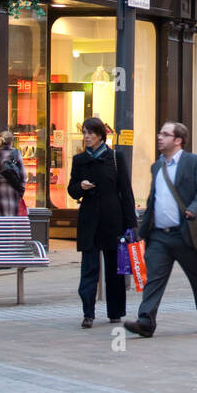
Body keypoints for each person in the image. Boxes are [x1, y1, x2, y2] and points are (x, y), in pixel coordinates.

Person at [124, 121, 197, 337]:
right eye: (160, 133)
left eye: (165, 134)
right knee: (154, 279)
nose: (160, 137)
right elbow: (154, 198)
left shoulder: (195, 162)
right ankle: (145, 321)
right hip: (159, 236)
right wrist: (142, 230)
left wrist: (194, 209)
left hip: (185, 233)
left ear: (178, 140)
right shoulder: (157, 166)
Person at [68, 117, 138, 328]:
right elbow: (72, 190)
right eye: (85, 133)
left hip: (113, 220)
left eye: (91, 133)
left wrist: (131, 224)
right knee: (89, 269)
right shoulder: (79, 160)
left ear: (100, 135)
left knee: (115, 269)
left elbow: (126, 192)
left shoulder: (116, 158)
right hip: (89, 220)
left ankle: (115, 312)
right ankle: (88, 313)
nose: (87, 137)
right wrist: (81, 186)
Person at [0, 130, 27, 216]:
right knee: (9, 223)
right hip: (10, 193)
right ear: (11, 141)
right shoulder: (15, 153)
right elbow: (23, 175)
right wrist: (21, 191)